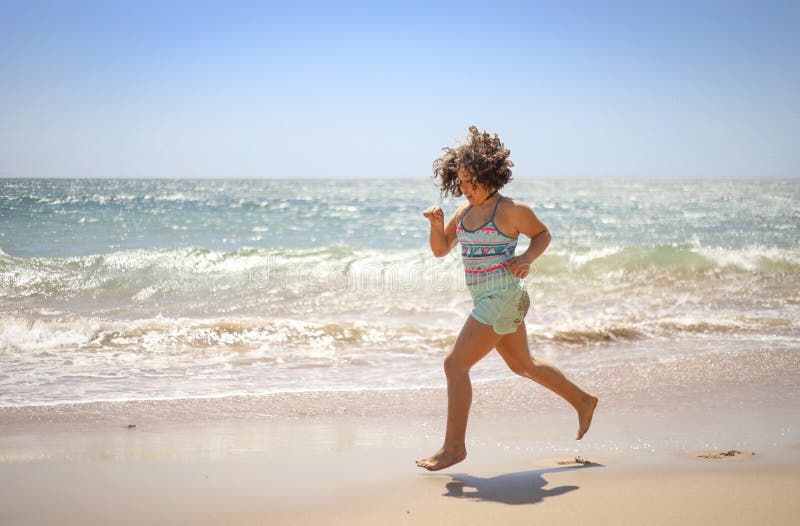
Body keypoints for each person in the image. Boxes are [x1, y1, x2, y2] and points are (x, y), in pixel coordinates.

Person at [416, 125, 598, 471]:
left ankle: (454, 448)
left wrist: (527, 258)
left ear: (491, 175)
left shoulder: (510, 210)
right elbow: (441, 251)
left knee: (455, 364)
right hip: (490, 300)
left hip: (504, 297)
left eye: (473, 182)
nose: (467, 188)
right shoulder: (463, 214)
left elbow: (542, 234)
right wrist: (435, 224)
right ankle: (583, 400)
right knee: (523, 365)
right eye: (462, 182)